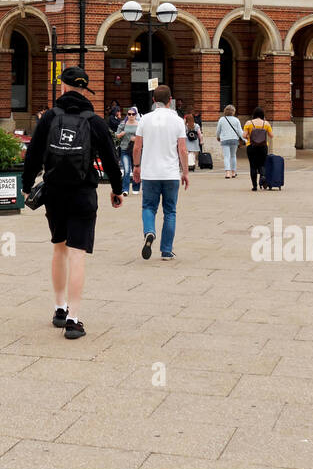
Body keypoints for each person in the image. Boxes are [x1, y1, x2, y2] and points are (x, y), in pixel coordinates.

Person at [21, 66, 123, 340]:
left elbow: (33, 154)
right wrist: (117, 190)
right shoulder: (95, 121)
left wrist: (26, 186)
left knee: (59, 248)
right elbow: (111, 160)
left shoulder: (49, 117)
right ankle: (73, 320)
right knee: (78, 253)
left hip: (54, 192)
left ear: (63, 87)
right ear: (84, 90)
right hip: (83, 193)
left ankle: (59, 308)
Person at [132, 84, 188, 261]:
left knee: (149, 207)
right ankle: (166, 250)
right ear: (170, 100)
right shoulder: (178, 121)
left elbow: (137, 147)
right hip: (170, 173)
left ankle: (149, 232)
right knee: (170, 212)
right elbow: (182, 149)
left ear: (154, 100)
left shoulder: (145, 119)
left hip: (150, 173)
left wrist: (136, 166)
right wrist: (185, 172)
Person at [242, 108, 273, 191]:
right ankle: (263, 176)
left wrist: (249, 137)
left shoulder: (249, 123)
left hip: (251, 146)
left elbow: (244, 135)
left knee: (253, 166)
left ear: (254, 114)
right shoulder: (266, 123)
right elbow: (271, 135)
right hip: (263, 146)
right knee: (262, 164)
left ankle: (254, 186)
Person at [215, 105, 244, 178]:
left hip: (224, 139)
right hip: (234, 139)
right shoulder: (236, 120)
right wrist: (244, 139)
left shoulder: (221, 119)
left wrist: (218, 136)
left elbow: (218, 130)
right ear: (233, 112)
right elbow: (240, 131)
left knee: (226, 156)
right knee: (233, 156)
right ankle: (233, 172)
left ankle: (227, 173)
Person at [118, 106, 139, 194]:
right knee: (126, 170)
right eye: (129, 114)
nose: (131, 116)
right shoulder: (123, 124)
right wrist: (121, 134)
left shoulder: (139, 124)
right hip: (125, 149)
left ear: (136, 115)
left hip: (136, 150)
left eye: (133, 114)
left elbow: (144, 137)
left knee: (136, 169)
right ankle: (125, 189)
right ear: (127, 115)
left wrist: (136, 139)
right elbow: (116, 135)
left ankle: (136, 187)